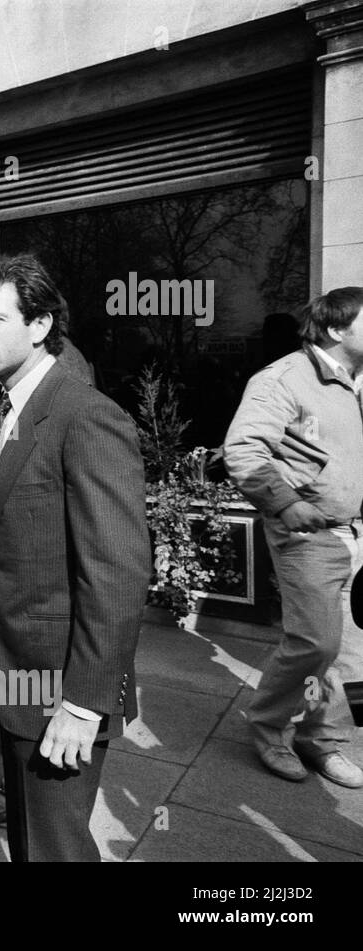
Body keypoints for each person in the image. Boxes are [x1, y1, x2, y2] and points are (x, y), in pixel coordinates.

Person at [0, 254, 150, 862]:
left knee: (55, 849)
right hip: (14, 673)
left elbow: (116, 572)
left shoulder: (84, 414)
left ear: (39, 324)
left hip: (60, 686)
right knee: (29, 837)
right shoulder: (5, 407)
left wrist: (85, 703)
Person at [224, 286, 363, 788]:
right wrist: (287, 503)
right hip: (309, 534)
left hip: (354, 534)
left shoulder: (354, 381)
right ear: (335, 329)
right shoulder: (284, 379)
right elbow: (242, 451)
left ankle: (321, 739)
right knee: (314, 643)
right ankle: (268, 728)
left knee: (345, 652)